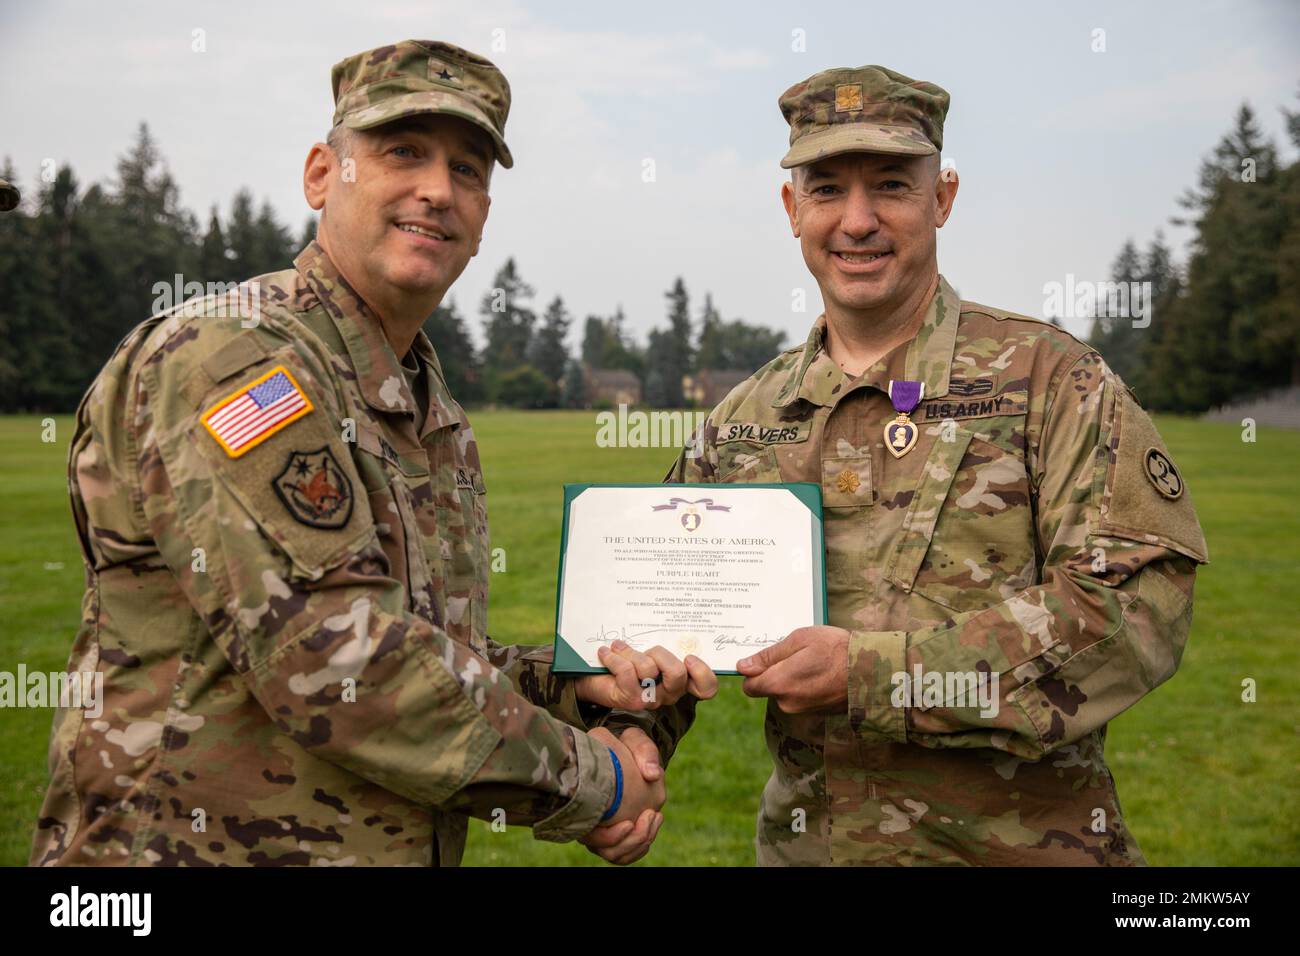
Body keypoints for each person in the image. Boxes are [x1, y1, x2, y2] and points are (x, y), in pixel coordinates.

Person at [32, 38, 714, 868]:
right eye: (402, 152)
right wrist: (594, 781)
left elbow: (425, 646)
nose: (438, 189)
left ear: (485, 215)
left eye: (468, 170)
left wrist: (570, 686)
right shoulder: (234, 358)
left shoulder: (424, 406)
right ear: (323, 173)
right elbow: (337, 658)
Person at [665, 64, 1208, 865]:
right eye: (825, 190)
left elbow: (1135, 611)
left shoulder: (1052, 381)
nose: (857, 221)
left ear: (942, 199)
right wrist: (628, 738)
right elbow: (665, 623)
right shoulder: (744, 421)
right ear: (792, 209)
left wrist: (877, 674)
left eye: (890, 185)